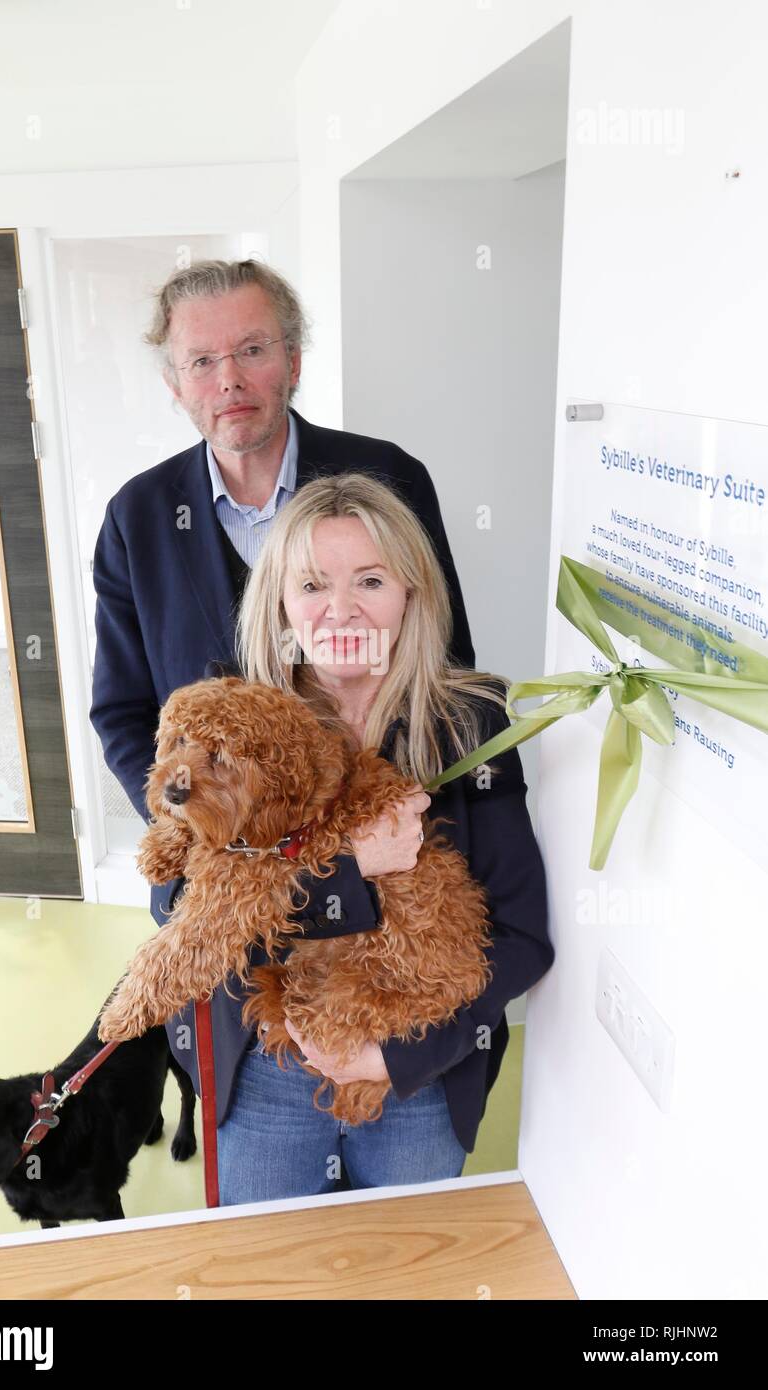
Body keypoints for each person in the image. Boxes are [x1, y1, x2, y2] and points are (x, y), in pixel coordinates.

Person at [89, 258, 478, 1149]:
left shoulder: (386, 477)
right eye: (201, 361)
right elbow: (122, 712)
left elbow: (442, 661)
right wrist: (195, 837)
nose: (228, 380)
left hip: (380, 899)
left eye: (253, 349)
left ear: (293, 361)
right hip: (228, 919)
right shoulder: (139, 517)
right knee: (260, 1178)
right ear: (173, 383)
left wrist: (385, 848)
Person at [206, 470, 553, 1203]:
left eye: (369, 580)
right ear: (279, 604)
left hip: (419, 1074)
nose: (341, 611)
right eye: (311, 586)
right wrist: (350, 868)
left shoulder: (470, 726)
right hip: (272, 1060)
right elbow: (189, 912)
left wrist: (394, 1056)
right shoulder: (235, 727)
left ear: (412, 594)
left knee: (404, 1273)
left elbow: (523, 937)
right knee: (271, 1275)